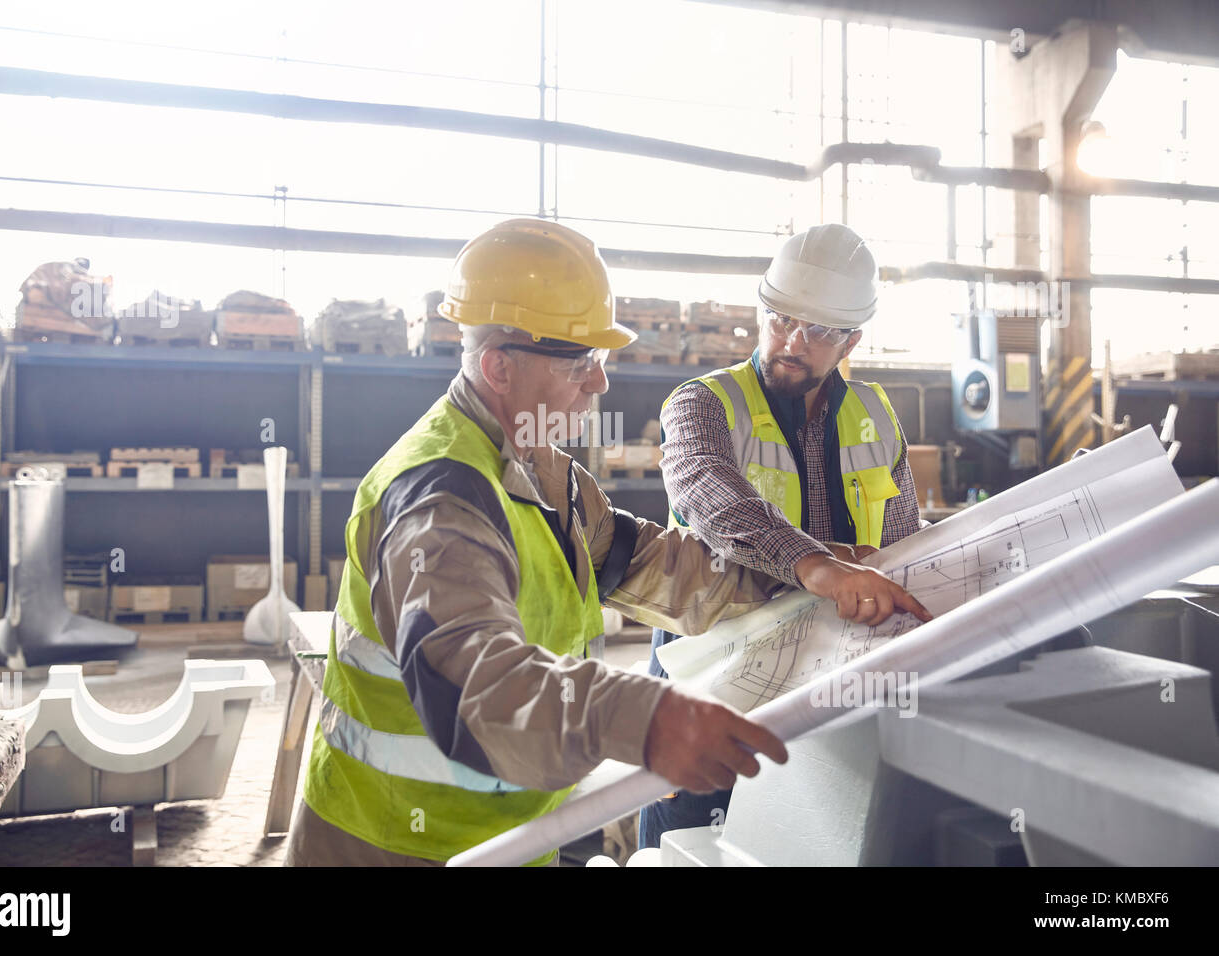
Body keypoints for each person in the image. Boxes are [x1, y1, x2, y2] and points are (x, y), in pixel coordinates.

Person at [285, 218, 793, 867]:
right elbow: (482, 694)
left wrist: (801, 581)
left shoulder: (544, 471)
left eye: (600, 360)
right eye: (582, 361)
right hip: (394, 844)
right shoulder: (441, 501)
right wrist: (648, 719)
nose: (600, 384)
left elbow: (656, 564)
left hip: (509, 842)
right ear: (499, 365)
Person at [639, 223, 932, 850]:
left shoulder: (877, 416)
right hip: (712, 683)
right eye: (781, 319)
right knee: (689, 845)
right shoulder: (702, 404)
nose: (794, 343)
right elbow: (714, 497)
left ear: (852, 337)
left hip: (831, 687)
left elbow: (909, 541)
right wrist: (821, 565)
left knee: (810, 843)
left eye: (821, 331)